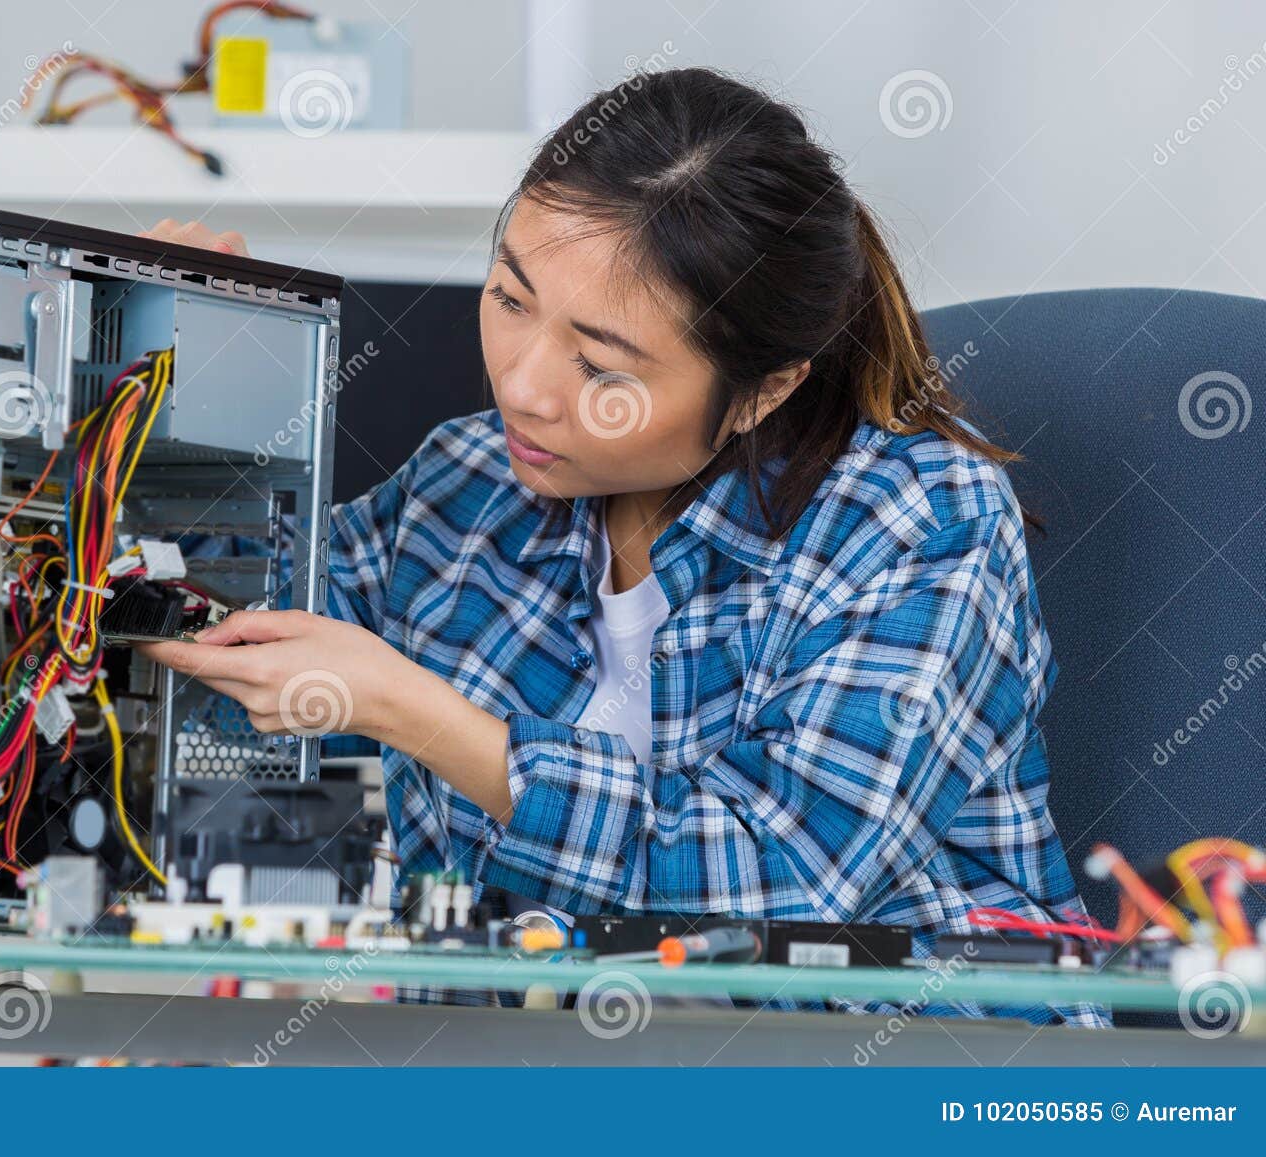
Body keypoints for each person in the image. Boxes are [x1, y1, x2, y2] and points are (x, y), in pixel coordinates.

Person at [138, 67, 1104, 1026]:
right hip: (533, 1065)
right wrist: (157, 402)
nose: (523, 386)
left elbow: (786, 888)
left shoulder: (919, 523)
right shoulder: (467, 484)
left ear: (765, 386)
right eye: (511, 299)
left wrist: (414, 709)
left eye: (600, 366)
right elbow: (238, 625)